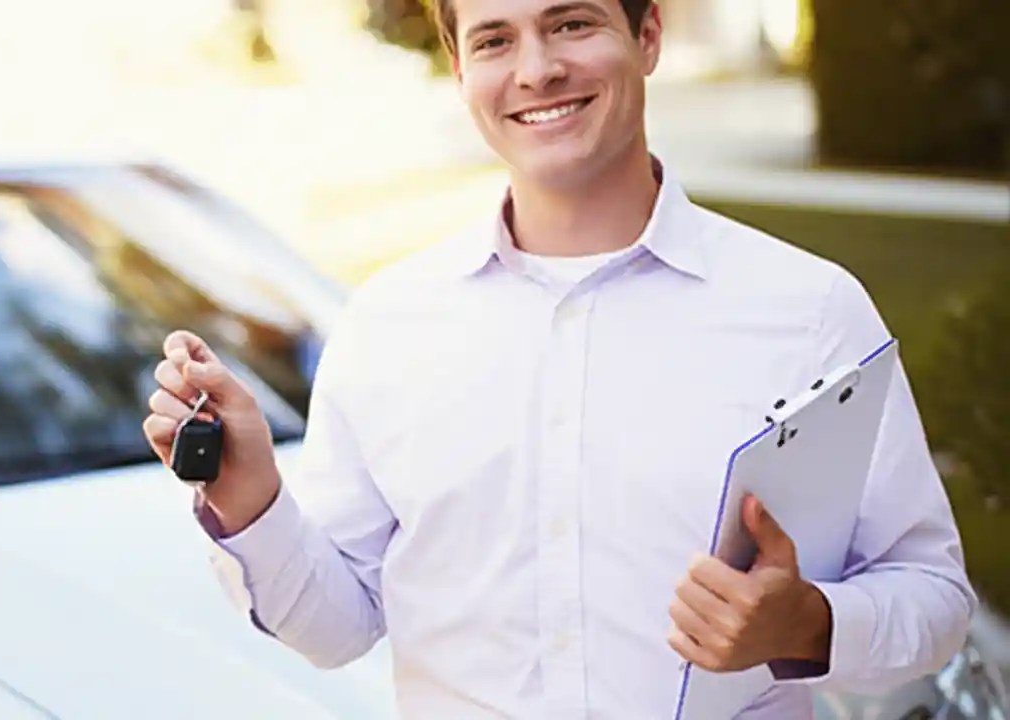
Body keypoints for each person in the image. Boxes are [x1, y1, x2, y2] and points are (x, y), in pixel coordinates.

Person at [142, 0, 976, 717]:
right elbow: (336, 629)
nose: (536, 70)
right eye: (494, 39)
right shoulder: (389, 324)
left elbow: (934, 599)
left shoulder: (809, 310)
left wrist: (807, 624)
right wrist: (250, 499)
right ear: (460, 66)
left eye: (570, 22)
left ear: (648, 35)